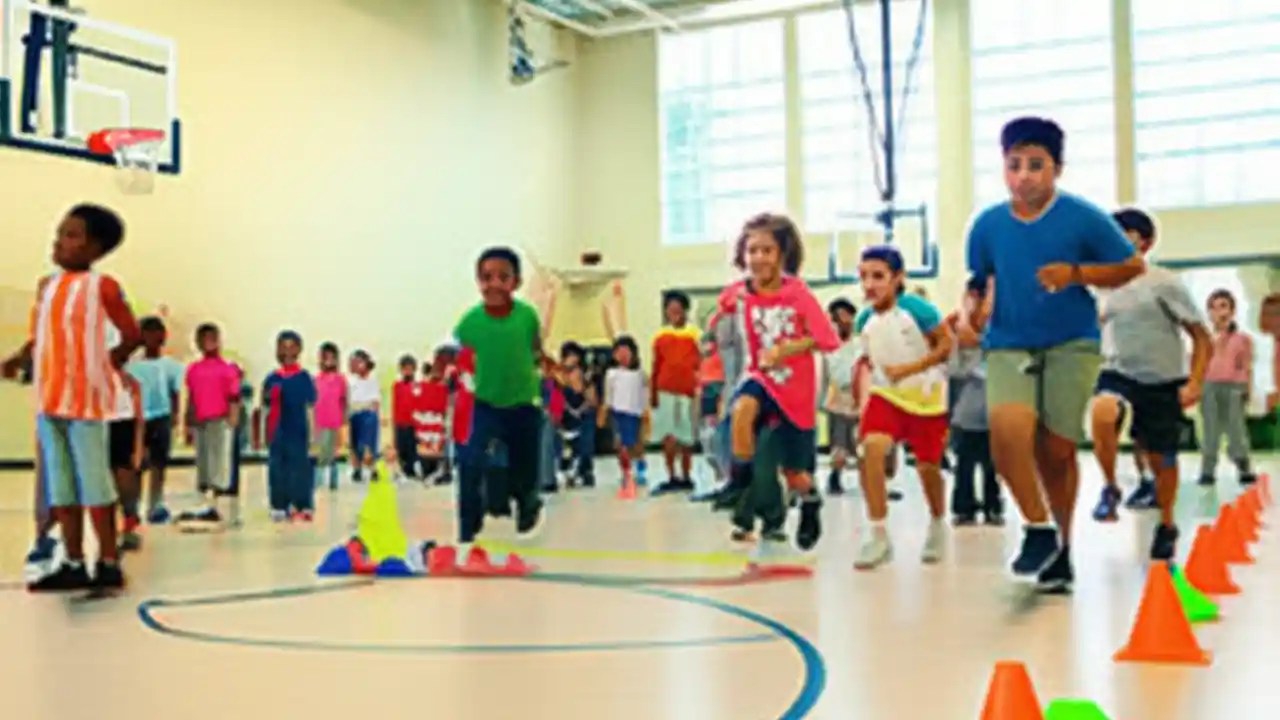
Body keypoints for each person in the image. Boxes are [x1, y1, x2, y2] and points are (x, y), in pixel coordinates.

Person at [966, 116, 1144, 593]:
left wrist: (1076, 274)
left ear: (1057, 169)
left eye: (1036, 166)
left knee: (1057, 450)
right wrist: (971, 310)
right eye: (1014, 165)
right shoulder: (987, 226)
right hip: (1008, 341)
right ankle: (1038, 528)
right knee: (1008, 433)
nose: (1024, 175)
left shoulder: (1083, 217)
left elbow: (1131, 264)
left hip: (1071, 341)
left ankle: (1063, 549)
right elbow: (978, 280)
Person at [1, 203, 141, 590]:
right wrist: (16, 359)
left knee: (94, 483)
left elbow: (131, 334)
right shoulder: (47, 287)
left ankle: (109, 560)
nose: (59, 241)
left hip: (86, 402)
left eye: (71, 235)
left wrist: (109, 364)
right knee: (62, 485)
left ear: (95, 247)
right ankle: (75, 560)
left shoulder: (103, 286)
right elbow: (41, 335)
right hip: (49, 400)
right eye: (60, 233)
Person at [1086, 208, 1211, 559]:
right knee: (1102, 411)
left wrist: (1196, 381)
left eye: (1127, 233)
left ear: (1145, 241)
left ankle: (1167, 523)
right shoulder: (1102, 286)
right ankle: (1110, 488)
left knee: (1161, 460)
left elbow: (1202, 337)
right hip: (1117, 371)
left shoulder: (1163, 282)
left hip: (1161, 380)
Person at [718, 212, 841, 550]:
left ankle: (810, 501)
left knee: (794, 473)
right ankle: (739, 482)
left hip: (795, 387)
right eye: (751, 250)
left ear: (782, 254)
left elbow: (828, 339)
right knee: (742, 409)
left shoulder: (797, 293)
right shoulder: (741, 292)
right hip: (761, 376)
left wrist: (789, 348)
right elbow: (724, 302)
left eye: (766, 251)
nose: (758, 258)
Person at [852, 246, 953, 569]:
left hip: (926, 397)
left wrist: (913, 369)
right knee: (871, 449)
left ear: (898, 278)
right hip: (887, 395)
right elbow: (868, 363)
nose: (870, 284)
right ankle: (879, 534)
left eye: (878, 276)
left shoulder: (917, 309)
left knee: (927, 467)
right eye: (864, 276)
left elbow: (946, 345)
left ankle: (938, 522)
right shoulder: (864, 320)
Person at [453, 247, 547, 545]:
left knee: (524, 472)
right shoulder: (470, 322)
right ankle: (467, 529)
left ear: (516, 282)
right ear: (478, 281)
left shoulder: (527, 317)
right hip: (486, 405)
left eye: (502, 278)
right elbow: (455, 353)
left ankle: (528, 502)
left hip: (523, 406)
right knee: (469, 462)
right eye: (486, 277)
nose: (494, 284)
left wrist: (549, 366)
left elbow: (535, 350)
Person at [177, 323, 242, 530]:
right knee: (204, 462)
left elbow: (234, 395)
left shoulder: (228, 369)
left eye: (212, 338)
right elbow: (191, 398)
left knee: (220, 461)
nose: (208, 343)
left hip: (221, 419)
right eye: (203, 339)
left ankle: (221, 504)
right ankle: (206, 502)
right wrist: (187, 424)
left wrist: (233, 417)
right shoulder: (194, 370)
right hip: (201, 421)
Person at [948, 277, 1001, 526]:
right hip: (966, 412)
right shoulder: (959, 332)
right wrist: (961, 339)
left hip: (996, 411)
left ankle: (993, 506)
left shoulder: (1002, 331)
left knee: (994, 465)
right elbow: (955, 371)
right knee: (965, 464)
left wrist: (979, 341)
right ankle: (964, 507)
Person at [125, 315, 185, 523]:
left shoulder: (171, 366)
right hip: (137, 419)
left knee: (159, 462)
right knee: (137, 464)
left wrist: (176, 418)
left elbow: (175, 393)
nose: (152, 338)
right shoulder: (130, 367)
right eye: (147, 334)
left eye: (156, 334)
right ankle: (133, 505)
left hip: (161, 417)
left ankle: (156, 503)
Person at [1199, 289, 1257, 487]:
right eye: (1213, 308)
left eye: (1223, 306)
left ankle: (1244, 467)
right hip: (1209, 386)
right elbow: (1197, 363)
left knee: (1236, 429)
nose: (1218, 312)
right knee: (1210, 431)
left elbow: (1246, 366)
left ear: (1232, 310)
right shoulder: (1205, 338)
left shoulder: (1243, 339)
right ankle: (1207, 470)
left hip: (1234, 386)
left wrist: (1247, 389)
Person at [649, 291, 700, 495]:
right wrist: (653, 392)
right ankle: (671, 475)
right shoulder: (661, 337)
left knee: (686, 437)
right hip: (665, 391)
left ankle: (687, 475)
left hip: (687, 392)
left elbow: (700, 365)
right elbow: (656, 366)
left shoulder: (695, 335)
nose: (674, 312)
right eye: (670, 309)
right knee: (668, 435)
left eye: (678, 308)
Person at [264, 331, 317, 521]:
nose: (286, 352)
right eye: (282, 347)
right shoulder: (272, 379)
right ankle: (279, 504)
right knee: (278, 468)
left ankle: (303, 504)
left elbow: (311, 408)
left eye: (291, 347)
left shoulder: (304, 378)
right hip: (278, 431)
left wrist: (314, 438)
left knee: (300, 467)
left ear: (298, 350)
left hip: (299, 430)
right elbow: (265, 408)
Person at [600, 335, 648, 490]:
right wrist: (605, 411)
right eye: (619, 352)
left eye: (626, 351)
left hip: (635, 412)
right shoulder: (612, 374)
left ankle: (640, 467)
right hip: (618, 412)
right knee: (620, 444)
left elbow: (644, 393)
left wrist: (646, 410)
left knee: (636, 443)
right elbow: (608, 395)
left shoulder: (640, 374)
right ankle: (626, 470)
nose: (623, 356)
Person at [823, 298, 861, 495]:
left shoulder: (861, 343)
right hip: (837, 400)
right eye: (839, 317)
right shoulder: (828, 347)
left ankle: (874, 481)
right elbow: (829, 374)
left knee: (863, 444)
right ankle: (835, 477)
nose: (844, 321)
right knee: (839, 446)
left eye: (847, 316)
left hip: (859, 401)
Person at [107, 368, 145, 551]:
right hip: (103, 427)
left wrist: (137, 449)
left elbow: (139, 419)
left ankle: (129, 525)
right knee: (106, 487)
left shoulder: (130, 382)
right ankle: (109, 532)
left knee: (126, 484)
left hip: (124, 429)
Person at [557, 341, 597, 488]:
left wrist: (581, 385)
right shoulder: (556, 376)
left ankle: (584, 469)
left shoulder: (585, 377)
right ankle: (565, 468)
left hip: (581, 414)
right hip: (563, 415)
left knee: (588, 422)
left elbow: (592, 401)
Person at [313, 342, 347, 491]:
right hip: (319, 421)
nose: (328, 361)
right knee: (320, 451)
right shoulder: (317, 379)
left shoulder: (340, 379)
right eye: (325, 358)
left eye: (332, 358)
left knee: (332, 452)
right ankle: (319, 480)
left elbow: (343, 400)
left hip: (334, 421)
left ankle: (332, 480)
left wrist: (344, 420)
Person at [347, 349, 381, 481]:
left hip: (368, 414)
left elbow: (375, 401)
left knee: (368, 442)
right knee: (355, 443)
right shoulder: (351, 381)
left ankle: (372, 468)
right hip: (354, 413)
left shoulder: (373, 380)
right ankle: (357, 468)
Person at [391, 354, 422, 480]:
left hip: (413, 424)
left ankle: (411, 469)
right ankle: (403, 470)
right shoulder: (397, 386)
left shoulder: (418, 386)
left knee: (412, 448)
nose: (408, 371)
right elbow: (395, 404)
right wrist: (394, 422)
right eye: (405, 368)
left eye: (410, 368)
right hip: (400, 422)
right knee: (401, 447)